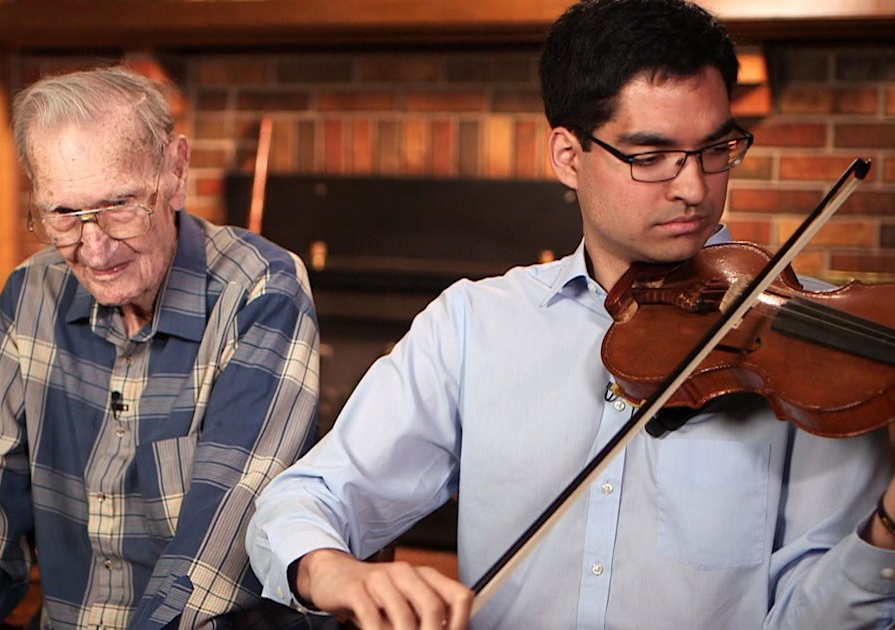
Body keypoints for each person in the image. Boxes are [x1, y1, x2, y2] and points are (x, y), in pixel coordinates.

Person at [246, 0, 895, 628]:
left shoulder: (821, 363)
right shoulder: (475, 324)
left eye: (716, 149)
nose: (694, 187)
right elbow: (306, 499)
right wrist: (334, 570)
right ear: (567, 155)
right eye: (649, 156)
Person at [0, 66, 322, 629]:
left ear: (175, 171)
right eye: (64, 214)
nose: (94, 249)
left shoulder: (261, 291)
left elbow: (215, 559)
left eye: (118, 205)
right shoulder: (30, 294)